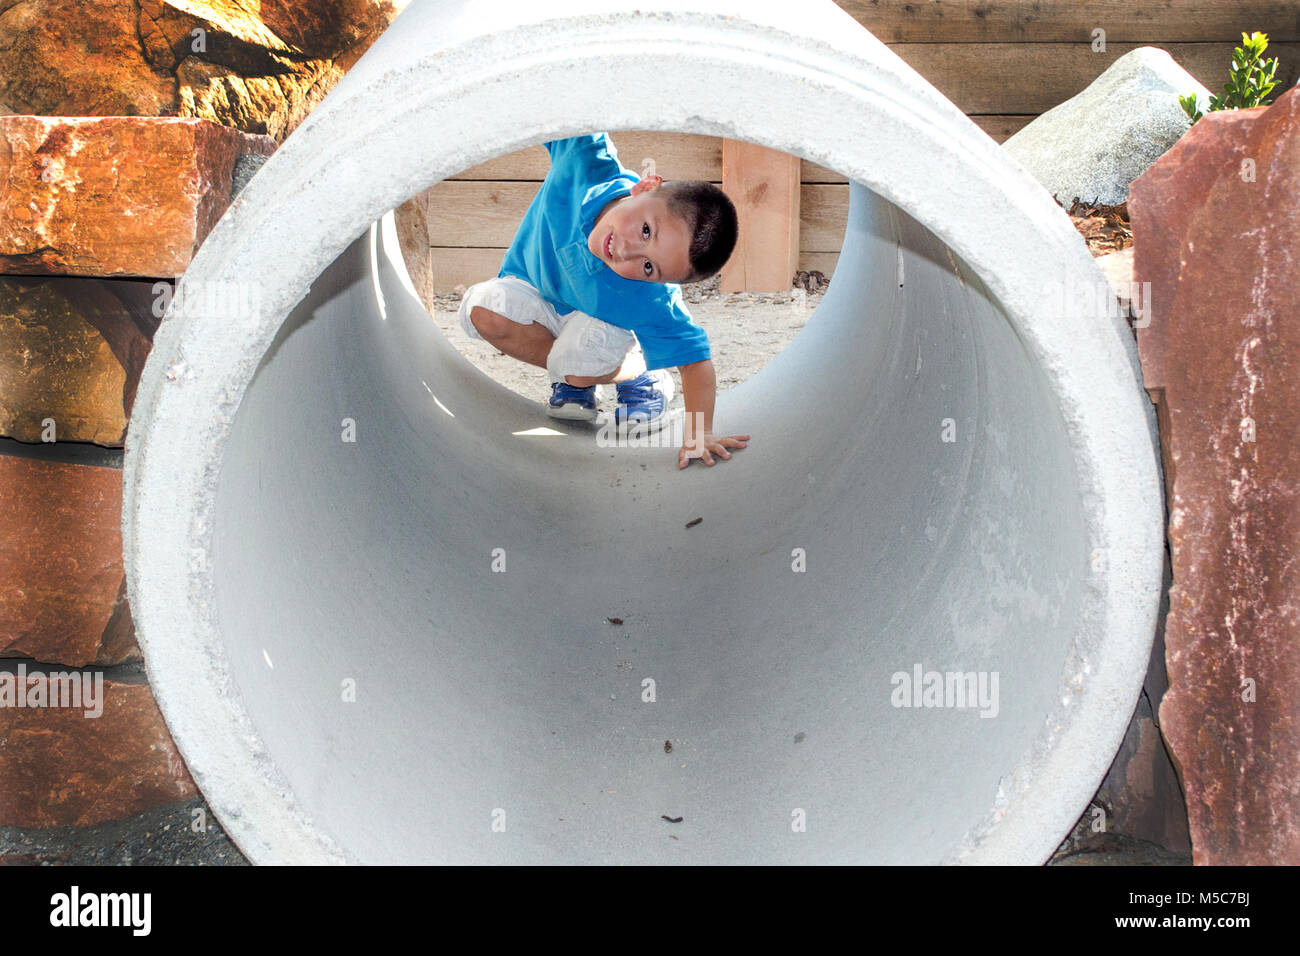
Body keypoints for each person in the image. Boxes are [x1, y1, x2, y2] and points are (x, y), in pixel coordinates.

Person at [457, 131, 750, 469]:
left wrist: (700, 437)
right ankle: (572, 377)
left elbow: (696, 362)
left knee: (578, 367)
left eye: (649, 266)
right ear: (645, 187)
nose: (626, 251)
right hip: (534, 292)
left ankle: (640, 376)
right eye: (645, 231)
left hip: (596, 328)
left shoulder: (651, 298)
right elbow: (561, 103)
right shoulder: (586, 160)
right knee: (482, 309)